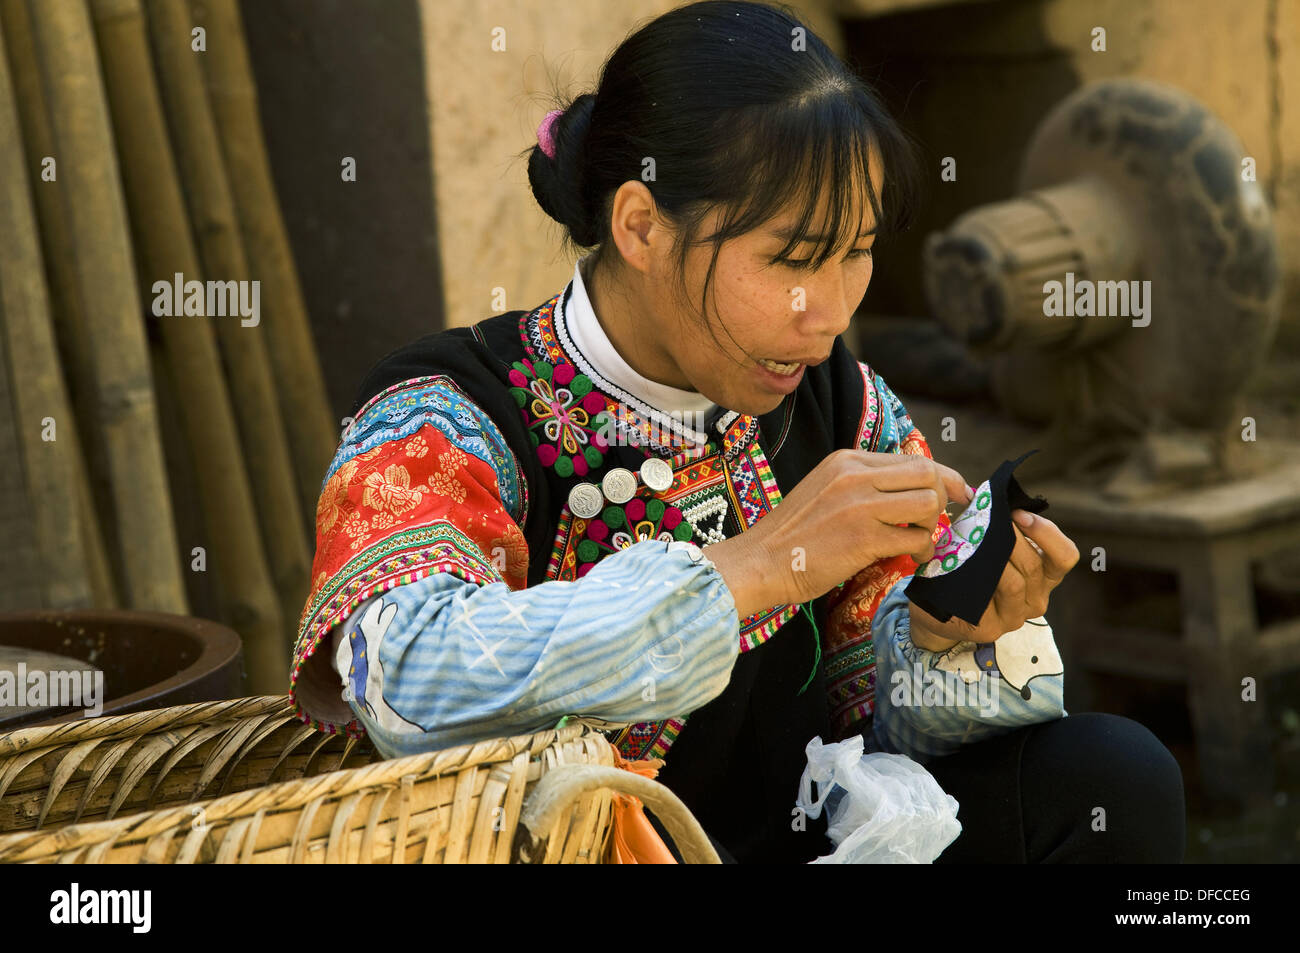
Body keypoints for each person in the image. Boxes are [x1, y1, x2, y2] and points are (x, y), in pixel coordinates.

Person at [289, 0, 1185, 864]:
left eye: (858, 250)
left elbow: (887, 732)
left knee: (1111, 780)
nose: (829, 315)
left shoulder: (841, 404)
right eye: (793, 259)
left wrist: (954, 641)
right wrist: (758, 566)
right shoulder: (451, 409)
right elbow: (403, 679)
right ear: (639, 225)